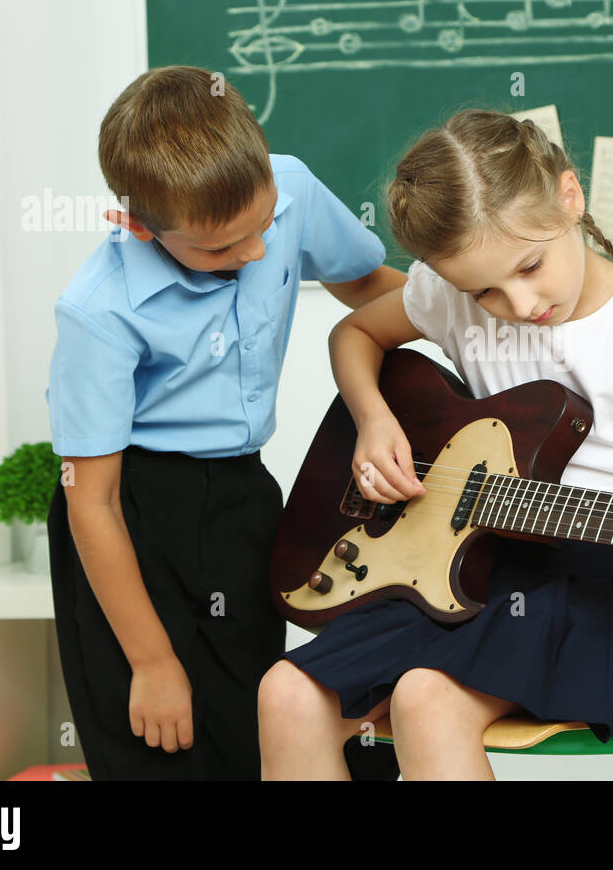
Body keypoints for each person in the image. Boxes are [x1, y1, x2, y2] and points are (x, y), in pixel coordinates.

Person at [258, 109, 613, 779]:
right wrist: (374, 420)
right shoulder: (450, 298)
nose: (518, 303)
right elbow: (354, 335)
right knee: (285, 693)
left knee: (425, 698)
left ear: (569, 198)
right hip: (469, 569)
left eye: (530, 266)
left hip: (599, 590)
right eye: (484, 290)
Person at [45, 65, 405, 779]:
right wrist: (150, 663)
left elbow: (367, 284)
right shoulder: (98, 309)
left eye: (264, 226)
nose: (255, 254)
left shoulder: (290, 186)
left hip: (242, 500)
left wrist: (475, 311)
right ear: (136, 225)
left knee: (254, 727)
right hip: (130, 518)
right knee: (158, 738)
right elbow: (93, 501)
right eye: (218, 250)